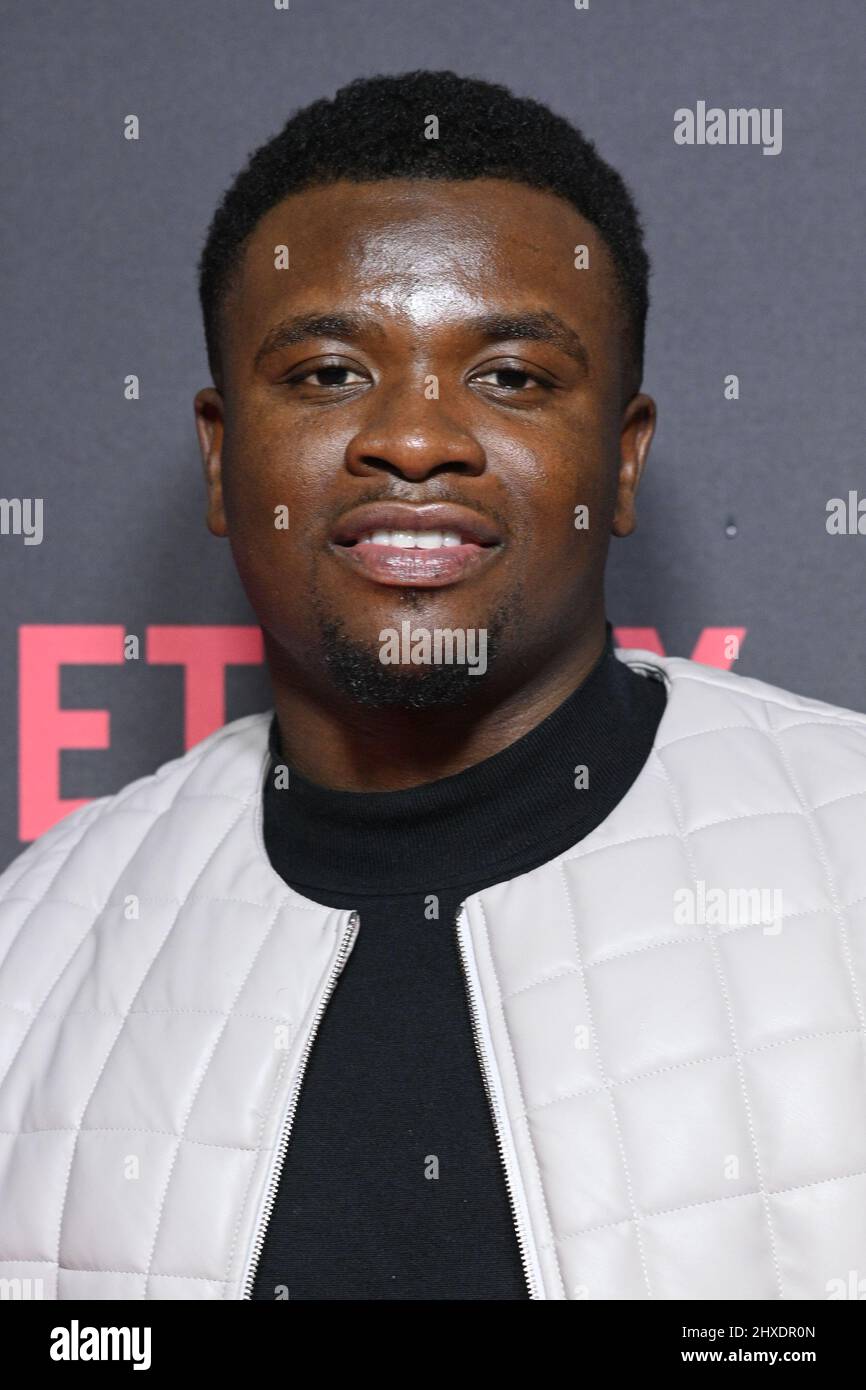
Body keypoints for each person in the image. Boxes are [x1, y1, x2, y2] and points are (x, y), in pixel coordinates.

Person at [2, 70, 866, 1303]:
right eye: (324, 374)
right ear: (218, 453)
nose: (413, 439)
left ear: (618, 464)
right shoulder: (35, 948)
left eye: (510, 376)